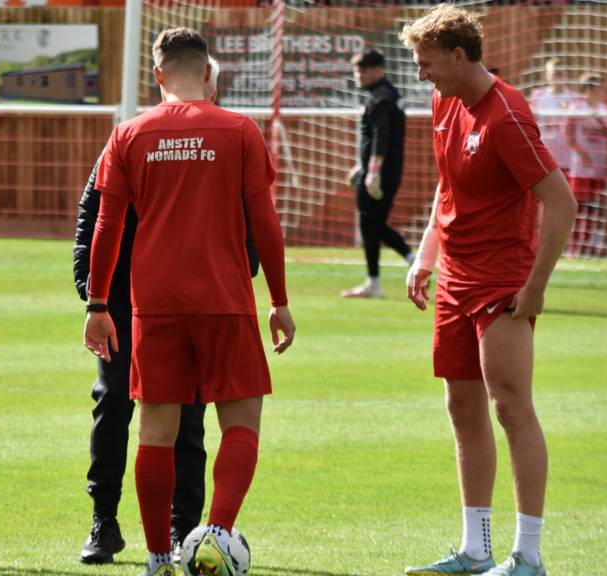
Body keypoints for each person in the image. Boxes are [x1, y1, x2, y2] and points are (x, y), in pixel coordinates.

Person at [83, 28, 295, 576]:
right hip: (225, 297)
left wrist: (98, 304)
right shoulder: (239, 130)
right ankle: (217, 535)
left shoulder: (129, 133)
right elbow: (265, 223)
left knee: (155, 429)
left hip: (154, 303)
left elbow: (107, 224)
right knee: (241, 421)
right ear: (209, 73)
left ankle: (157, 558)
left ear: (157, 75)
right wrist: (279, 298)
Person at [399, 5, 576, 576]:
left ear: (458, 55)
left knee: (510, 407)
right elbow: (447, 189)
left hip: (501, 280)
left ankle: (528, 556)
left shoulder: (507, 115)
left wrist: (537, 286)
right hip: (454, 276)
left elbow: (561, 202)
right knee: (462, 408)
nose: (422, 75)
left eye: (428, 64)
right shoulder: (443, 101)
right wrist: (425, 258)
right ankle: (476, 550)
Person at [343, 48, 414, 298]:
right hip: (387, 171)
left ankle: (379, 280)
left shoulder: (381, 98)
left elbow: (381, 137)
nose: (357, 76)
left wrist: (372, 172)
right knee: (374, 224)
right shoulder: (387, 94)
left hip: (380, 174)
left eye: (361, 71)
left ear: (375, 70)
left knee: (369, 223)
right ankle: (410, 261)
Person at [564, 73, 607, 256]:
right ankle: (574, 246)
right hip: (581, 167)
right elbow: (568, 134)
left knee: (596, 208)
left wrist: (599, 120)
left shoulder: (606, 110)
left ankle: (591, 246)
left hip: (599, 167)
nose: (603, 91)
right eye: (600, 87)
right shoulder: (577, 107)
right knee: (579, 207)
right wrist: (582, 153)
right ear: (591, 89)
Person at [529, 58, 579, 177]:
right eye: (554, 74)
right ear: (547, 75)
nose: (557, 77)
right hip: (544, 156)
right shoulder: (538, 96)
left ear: (566, 75)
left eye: (561, 74)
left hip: (567, 158)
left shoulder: (574, 98)